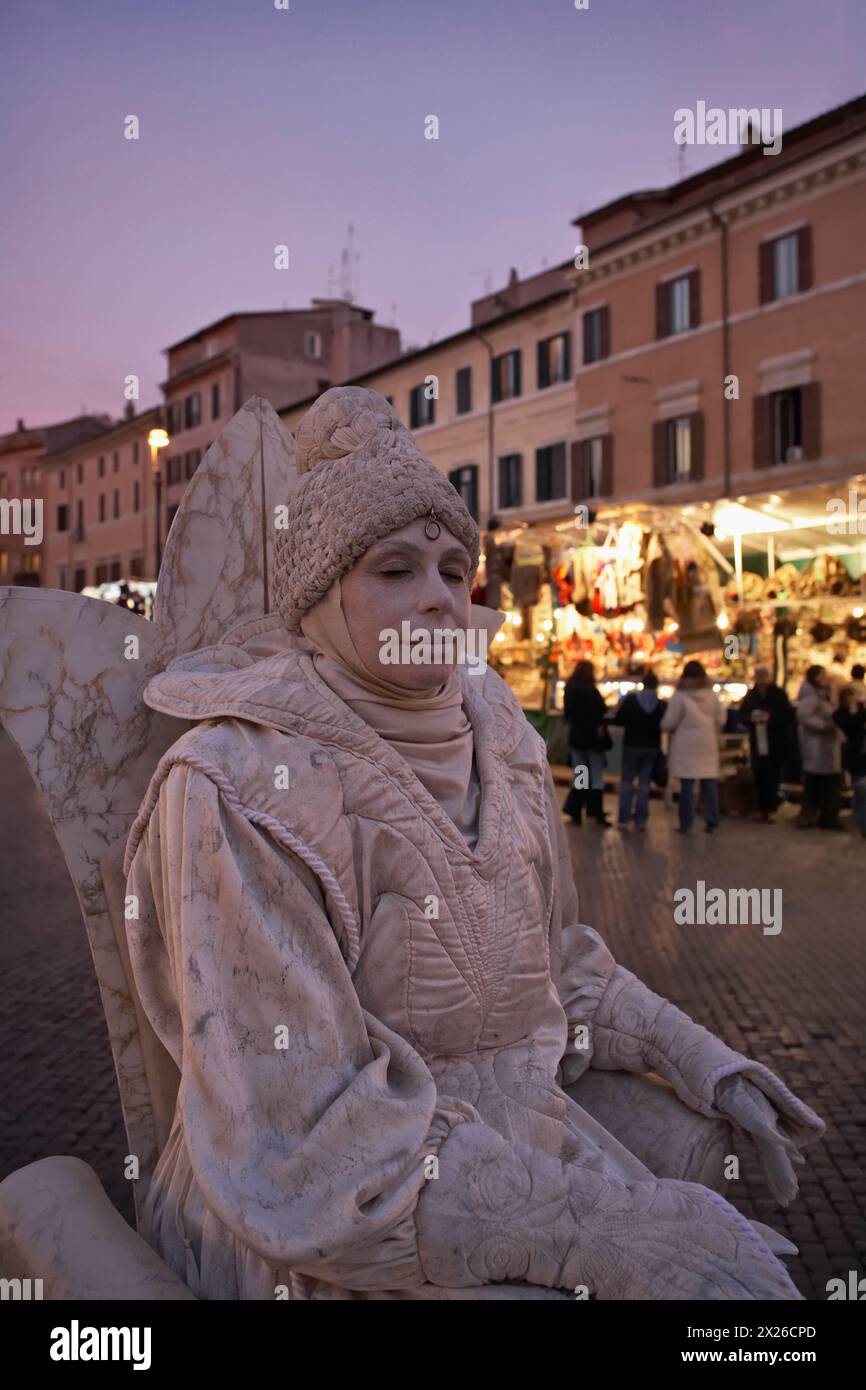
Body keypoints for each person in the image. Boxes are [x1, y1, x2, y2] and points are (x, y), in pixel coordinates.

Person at [123, 386, 823, 1302]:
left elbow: (556, 967)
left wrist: (699, 1059)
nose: (440, 599)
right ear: (321, 594)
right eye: (395, 569)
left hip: (511, 1134)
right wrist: (603, 1233)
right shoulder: (236, 780)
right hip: (323, 1222)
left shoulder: (506, 742)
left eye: (456, 570)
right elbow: (304, 1137)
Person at [661, 660, 726, 834]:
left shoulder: (681, 696)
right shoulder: (712, 696)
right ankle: (713, 822)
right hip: (707, 744)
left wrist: (665, 727)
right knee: (709, 784)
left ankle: (686, 824)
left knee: (687, 786)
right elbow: (721, 718)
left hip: (685, 745)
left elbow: (669, 721)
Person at [738, 666, 794, 822]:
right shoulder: (751, 695)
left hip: (775, 741)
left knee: (773, 774)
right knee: (760, 774)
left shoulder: (778, 694)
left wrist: (771, 718)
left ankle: (771, 807)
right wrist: (752, 717)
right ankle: (763, 808)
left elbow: (787, 715)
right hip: (758, 741)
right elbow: (742, 715)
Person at [612, 670, 666, 830]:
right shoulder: (662, 704)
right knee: (644, 784)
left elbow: (619, 719)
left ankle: (624, 818)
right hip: (652, 748)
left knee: (627, 782)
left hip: (631, 745)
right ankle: (641, 820)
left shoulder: (631, 700)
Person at [562, 659, 612, 827]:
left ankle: (576, 810)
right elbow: (602, 711)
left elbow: (567, 713)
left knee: (581, 775)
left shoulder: (570, 690)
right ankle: (596, 811)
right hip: (593, 740)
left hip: (577, 738)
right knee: (597, 776)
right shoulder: (592, 692)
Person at [795, 665, 843, 830]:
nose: (825, 678)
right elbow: (804, 717)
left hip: (828, 747)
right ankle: (813, 816)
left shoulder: (829, 693)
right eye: (821, 675)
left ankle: (827, 817)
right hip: (816, 747)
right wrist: (824, 726)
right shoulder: (811, 696)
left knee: (829, 783)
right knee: (816, 783)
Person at [833, 683, 866, 838]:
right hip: (855, 757)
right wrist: (855, 713)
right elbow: (850, 725)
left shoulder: (861, 709)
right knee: (860, 791)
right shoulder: (840, 714)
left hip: (862, 754)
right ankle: (862, 825)